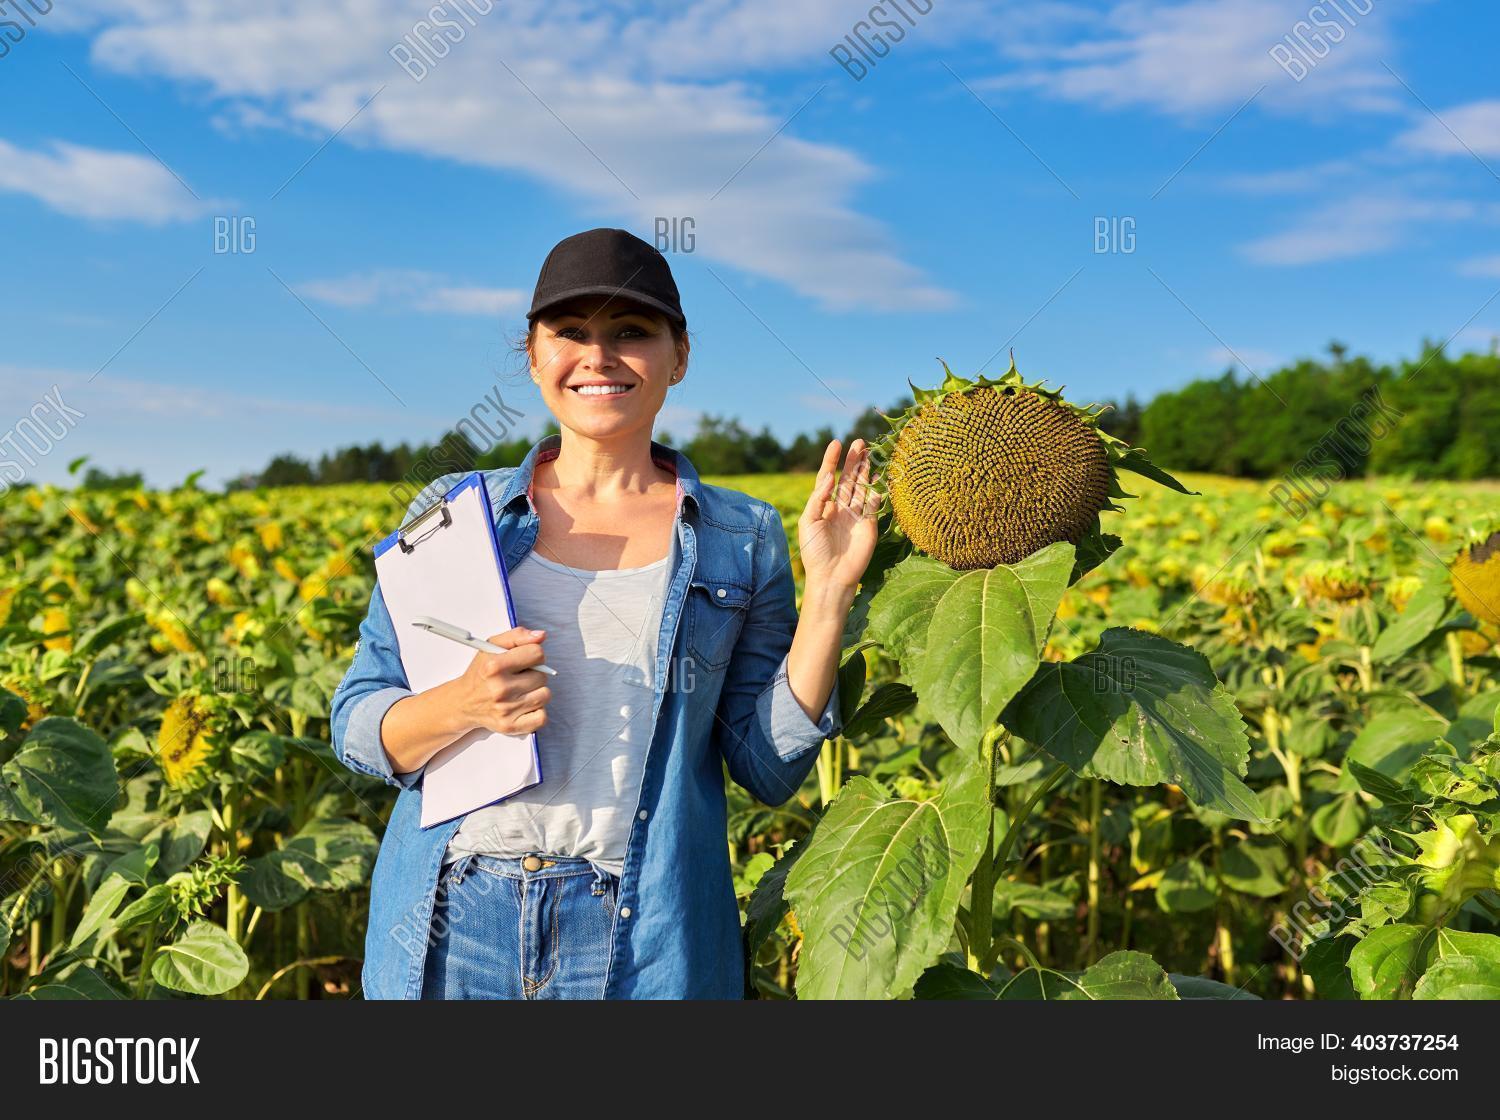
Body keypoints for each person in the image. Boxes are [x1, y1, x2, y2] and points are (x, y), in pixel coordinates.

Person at [330, 228, 880, 999]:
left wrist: (829, 596)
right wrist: (464, 704)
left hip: (638, 932)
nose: (599, 357)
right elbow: (358, 726)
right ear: (532, 355)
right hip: (457, 915)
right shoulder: (456, 513)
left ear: (678, 356)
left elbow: (766, 765)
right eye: (571, 333)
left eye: (631, 333)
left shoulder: (740, 538)